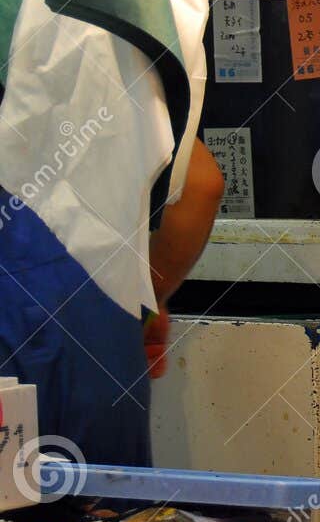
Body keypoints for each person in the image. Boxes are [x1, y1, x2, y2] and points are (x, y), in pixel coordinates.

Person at [0, 139, 224, 468]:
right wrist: (145, 295)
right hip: (100, 319)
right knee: (109, 514)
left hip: (20, 314)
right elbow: (201, 183)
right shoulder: (116, 87)